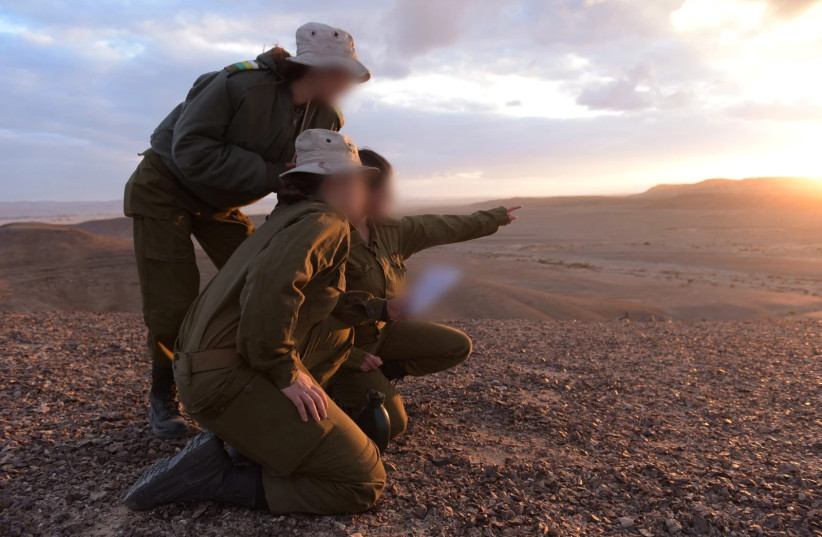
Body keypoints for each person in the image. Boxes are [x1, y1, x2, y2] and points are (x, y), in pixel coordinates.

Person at [123, 22, 370, 438]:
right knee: (172, 303)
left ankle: (262, 370)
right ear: (317, 69)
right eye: (342, 72)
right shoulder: (239, 86)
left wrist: (299, 224)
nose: (347, 82)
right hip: (164, 188)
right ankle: (164, 396)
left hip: (220, 203)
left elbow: (310, 174)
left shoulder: (326, 117)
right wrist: (274, 173)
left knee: (267, 271)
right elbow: (191, 151)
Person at [124, 129, 388, 514]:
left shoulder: (289, 217)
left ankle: (250, 438)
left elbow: (313, 300)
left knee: (334, 336)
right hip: (225, 379)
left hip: (204, 369)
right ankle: (217, 474)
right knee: (361, 480)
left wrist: (378, 308)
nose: (364, 192)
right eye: (361, 182)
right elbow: (269, 285)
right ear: (339, 183)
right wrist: (284, 371)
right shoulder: (326, 222)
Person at [323, 149, 520, 440]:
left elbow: (441, 226)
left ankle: (383, 373)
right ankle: (334, 393)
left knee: (455, 345)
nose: (391, 198)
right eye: (386, 190)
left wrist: (493, 218)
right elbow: (312, 311)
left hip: (382, 334)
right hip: (340, 346)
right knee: (392, 425)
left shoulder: (390, 230)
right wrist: (350, 357)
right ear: (363, 190)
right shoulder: (326, 236)